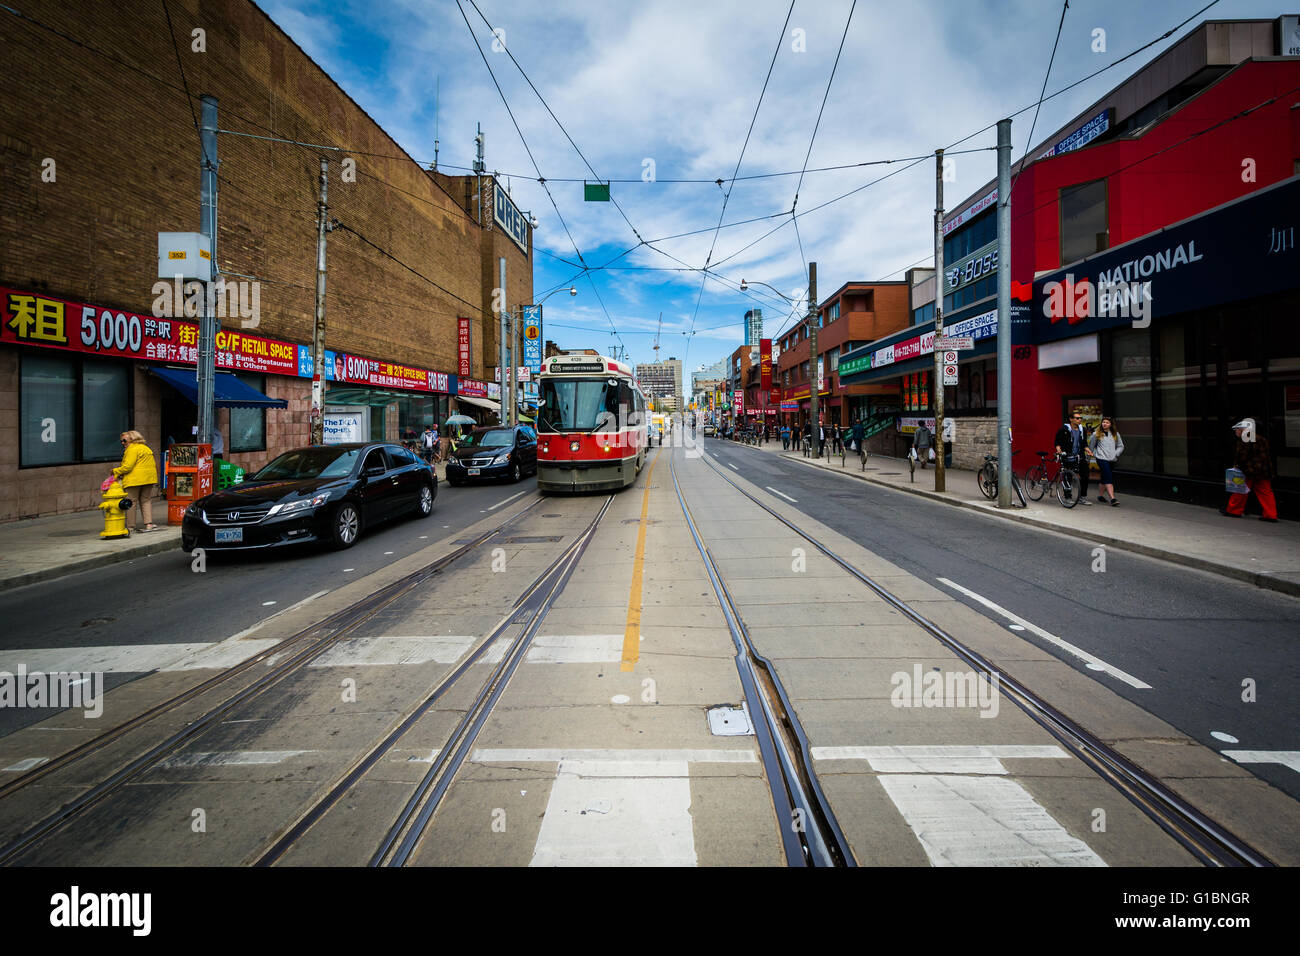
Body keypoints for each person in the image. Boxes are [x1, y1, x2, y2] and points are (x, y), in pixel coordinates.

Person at [1222, 418, 1278, 521]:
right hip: (1263, 471)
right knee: (1266, 493)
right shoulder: (1261, 439)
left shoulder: (1244, 440)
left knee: (1239, 490)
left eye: (1237, 429)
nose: (1236, 432)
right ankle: (1271, 515)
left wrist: (1237, 466)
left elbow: (1242, 457)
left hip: (1249, 471)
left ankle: (1233, 510)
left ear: (1244, 430)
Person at [112, 430, 159, 532]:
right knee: (146, 500)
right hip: (148, 479)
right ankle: (149, 524)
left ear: (132, 438)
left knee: (131, 502)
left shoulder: (132, 449)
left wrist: (115, 471)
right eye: (121, 441)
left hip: (134, 480)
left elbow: (127, 467)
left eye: (124, 440)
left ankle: (130, 526)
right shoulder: (146, 448)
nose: (122, 443)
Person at [1054, 412, 1093, 505]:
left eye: (1080, 418)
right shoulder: (1064, 429)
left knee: (1085, 475)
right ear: (1071, 419)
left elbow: (1084, 444)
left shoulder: (1082, 429)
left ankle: (1082, 497)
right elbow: (1057, 442)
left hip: (1079, 456)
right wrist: (1059, 450)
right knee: (1068, 476)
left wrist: (1088, 450)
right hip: (1067, 455)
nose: (1079, 420)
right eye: (1077, 418)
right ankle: (1068, 497)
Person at [1089, 416, 1124, 505]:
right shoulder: (1096, 434)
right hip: (1101, 458)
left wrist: (1116, 453)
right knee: (1108, 477)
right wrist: (1088, 458)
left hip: (1112, 459)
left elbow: (1121, 446)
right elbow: (1091, 447)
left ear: (1111, 424)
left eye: (1107, 422)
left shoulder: (1115, 434)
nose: (1105, 424)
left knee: (1104, 477)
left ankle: (1100, 496)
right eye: (1103, 422)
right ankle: (1113, 499)